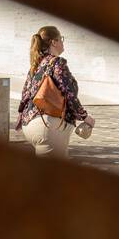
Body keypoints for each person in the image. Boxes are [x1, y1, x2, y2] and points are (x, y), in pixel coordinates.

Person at [17, 25, 94, 158]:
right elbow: (68, 93)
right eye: (61, 39)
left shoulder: (36, 64)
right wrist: (85, 117)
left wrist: (21, 119)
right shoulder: (57, 63)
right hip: (48, 125)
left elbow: (25, 94)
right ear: (54, 42)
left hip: (29, 124)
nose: (63, 42)